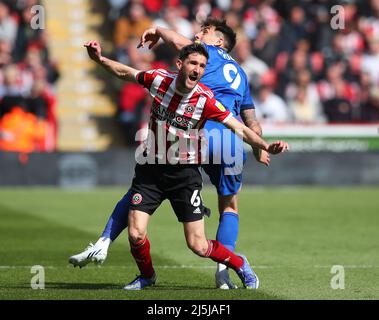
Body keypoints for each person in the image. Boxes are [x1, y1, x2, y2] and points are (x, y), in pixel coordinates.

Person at [69, 18, 270, 290]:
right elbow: (249, 121)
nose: (199, 35)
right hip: (220, 146)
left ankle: (233, 262)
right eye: (193, 63)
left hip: (194, 147)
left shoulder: (203, 59)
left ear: (217, 42)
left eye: (205, 32)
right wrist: (262, 147)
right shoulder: (238, 75)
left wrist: (158, 30)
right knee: (228, 207)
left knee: (196, 243)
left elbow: (178, 43)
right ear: (180, 64)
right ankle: (209, 271)